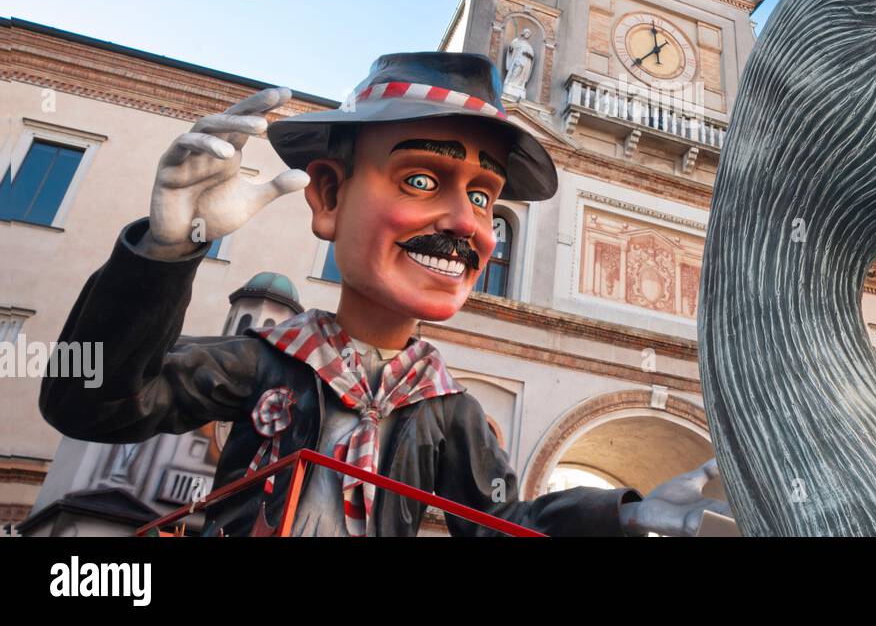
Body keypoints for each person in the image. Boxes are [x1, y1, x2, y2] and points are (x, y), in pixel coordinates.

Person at [40, 52, 725, 536]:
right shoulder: (268, 359)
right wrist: (165, 247)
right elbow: (92, 402)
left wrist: (623, 513)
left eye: (483, 196)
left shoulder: (447, 411)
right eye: (422, 180)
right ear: (331, 195)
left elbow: (499, 523)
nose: (466, 224)